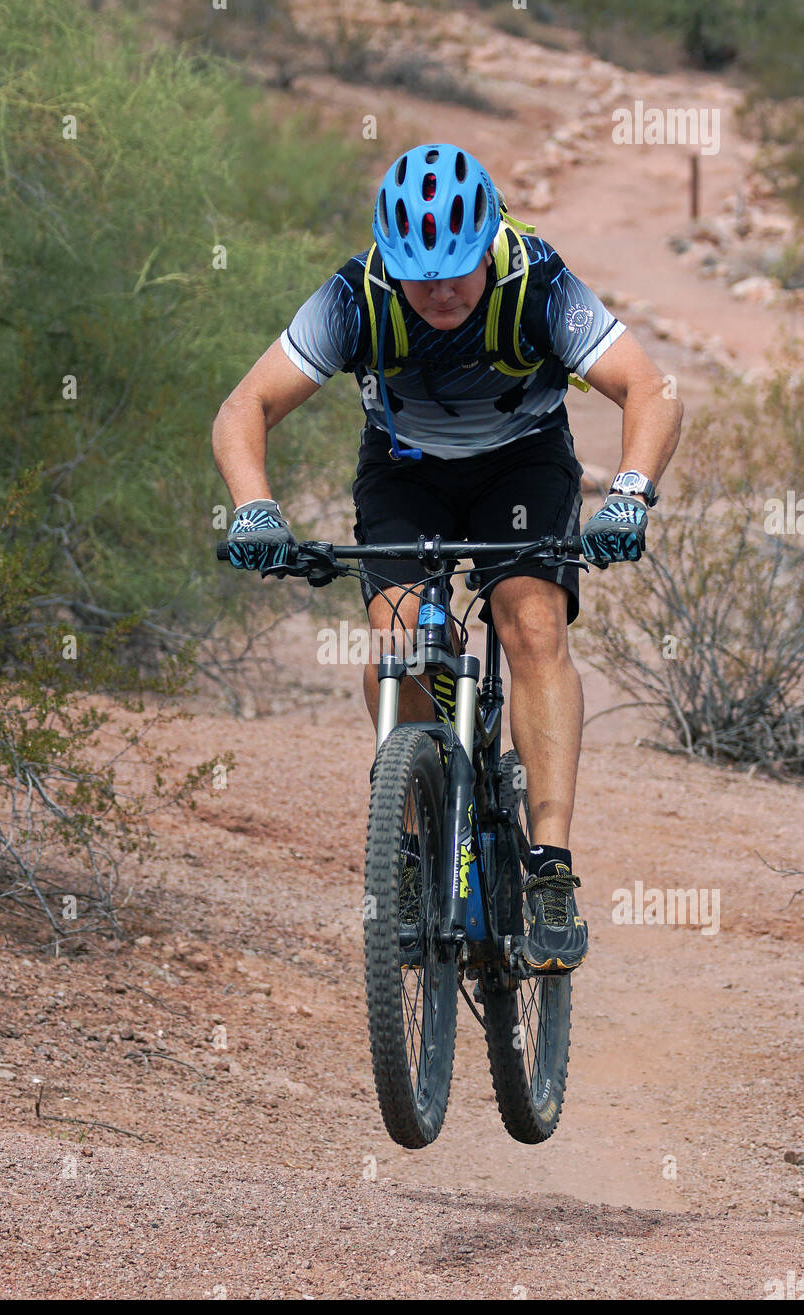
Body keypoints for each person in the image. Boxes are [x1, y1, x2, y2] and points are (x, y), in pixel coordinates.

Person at [212, 142, 682, 973]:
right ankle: (418, 833)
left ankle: (549, 868)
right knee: (399, 649)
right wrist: (254, 506)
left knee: (530, 621)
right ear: (389, 257)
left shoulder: (536, 281)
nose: (438, 292)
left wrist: (631, 493)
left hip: (521, 463)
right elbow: (245, 404)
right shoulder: (355, 296)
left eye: (456, 271)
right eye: (417, 273)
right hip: (407, 472)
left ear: (487, 242)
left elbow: (650, 390)